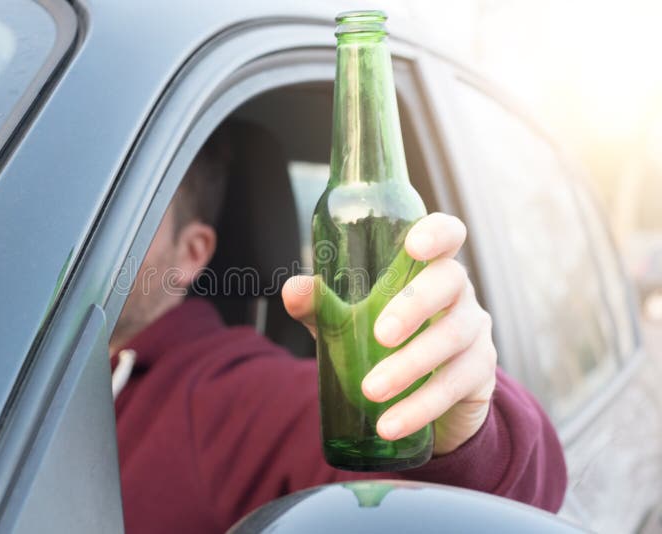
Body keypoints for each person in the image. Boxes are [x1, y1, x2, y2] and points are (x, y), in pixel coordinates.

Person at [108, 126, 567, 533]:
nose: (93, 229)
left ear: (191, 253)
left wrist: (468, 446)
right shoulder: (42, 351)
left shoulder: (232, 396)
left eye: (130, 208)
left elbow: (496, 506)